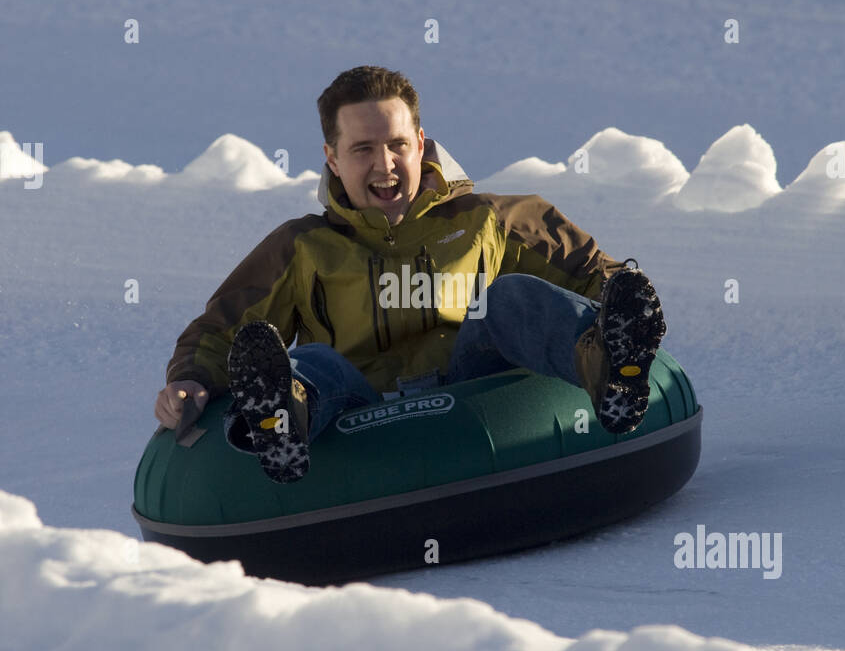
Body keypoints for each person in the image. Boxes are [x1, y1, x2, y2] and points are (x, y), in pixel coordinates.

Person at [154, 66, 666, 483]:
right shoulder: (302, 246)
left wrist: (625, 307)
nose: (386, 165)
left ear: (421, 143)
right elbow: (222, 330)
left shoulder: (487, 219)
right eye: (362, 150)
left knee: (508, 299)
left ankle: (610, 371)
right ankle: (281, 416)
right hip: (358, 412)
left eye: (397, 144)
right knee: (311, 360)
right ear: (331, 158)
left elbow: (595, 274)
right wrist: (190, 381)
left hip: (476, 388)